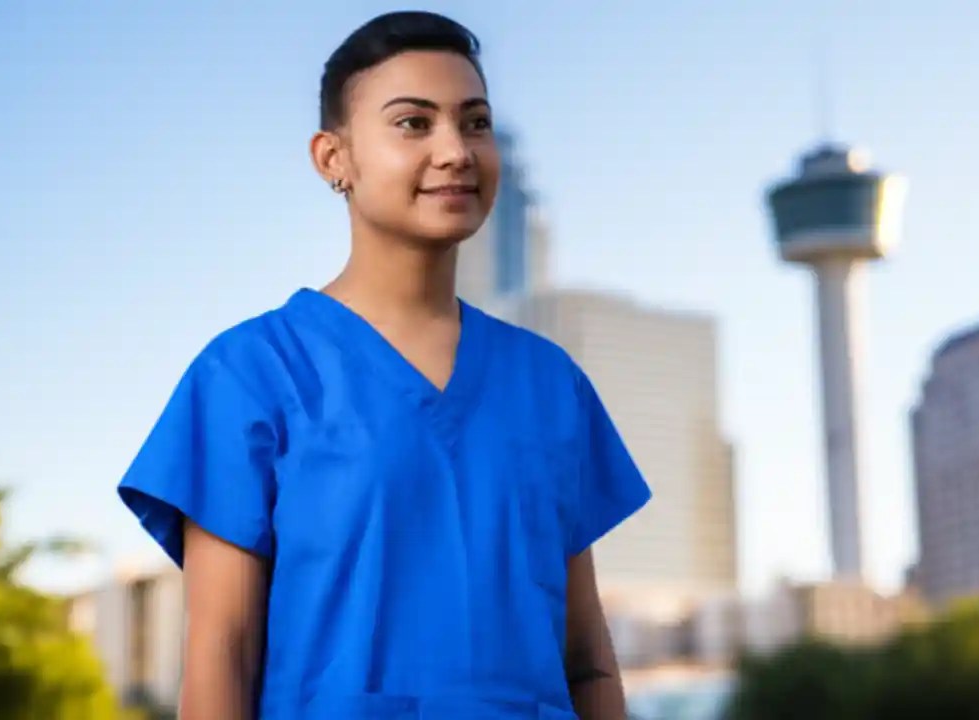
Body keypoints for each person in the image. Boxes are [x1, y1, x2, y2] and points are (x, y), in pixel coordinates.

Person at [117, 11, 651, 719]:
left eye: (476, 122)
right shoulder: (248, 376)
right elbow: (223, 656)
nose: (456, 150)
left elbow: (585, 662)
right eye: (413, 123)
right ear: (333, 157)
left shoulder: (551, 384)